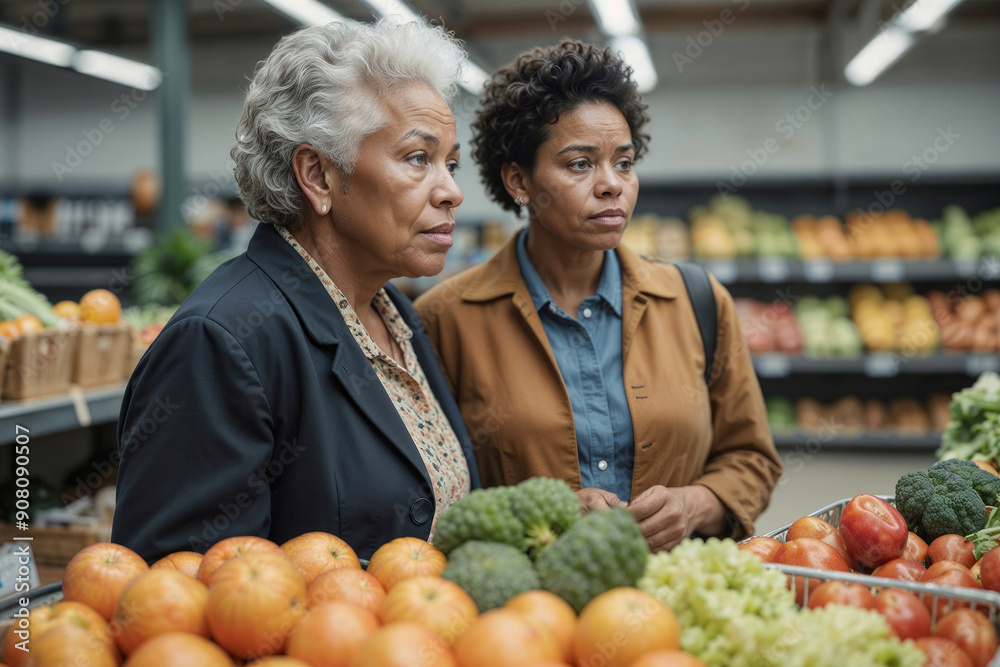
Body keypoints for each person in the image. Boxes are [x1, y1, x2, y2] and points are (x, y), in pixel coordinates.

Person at [112, 19, 479, 563]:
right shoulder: (221, 342)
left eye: (450, 163)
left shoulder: (394, 312)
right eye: (418, 158)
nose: (452, 192)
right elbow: (179, 602)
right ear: (319, 176)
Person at [414, 41, 781, 552]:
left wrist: (694, 503)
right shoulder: (442, 321)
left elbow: (751, 457)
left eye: (624, 163)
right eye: (580, 164)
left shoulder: (697, 301)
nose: (612, 185)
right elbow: (434, 496)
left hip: (677, 601)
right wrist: (550, 516)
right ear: (519, 180)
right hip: (531, 614)